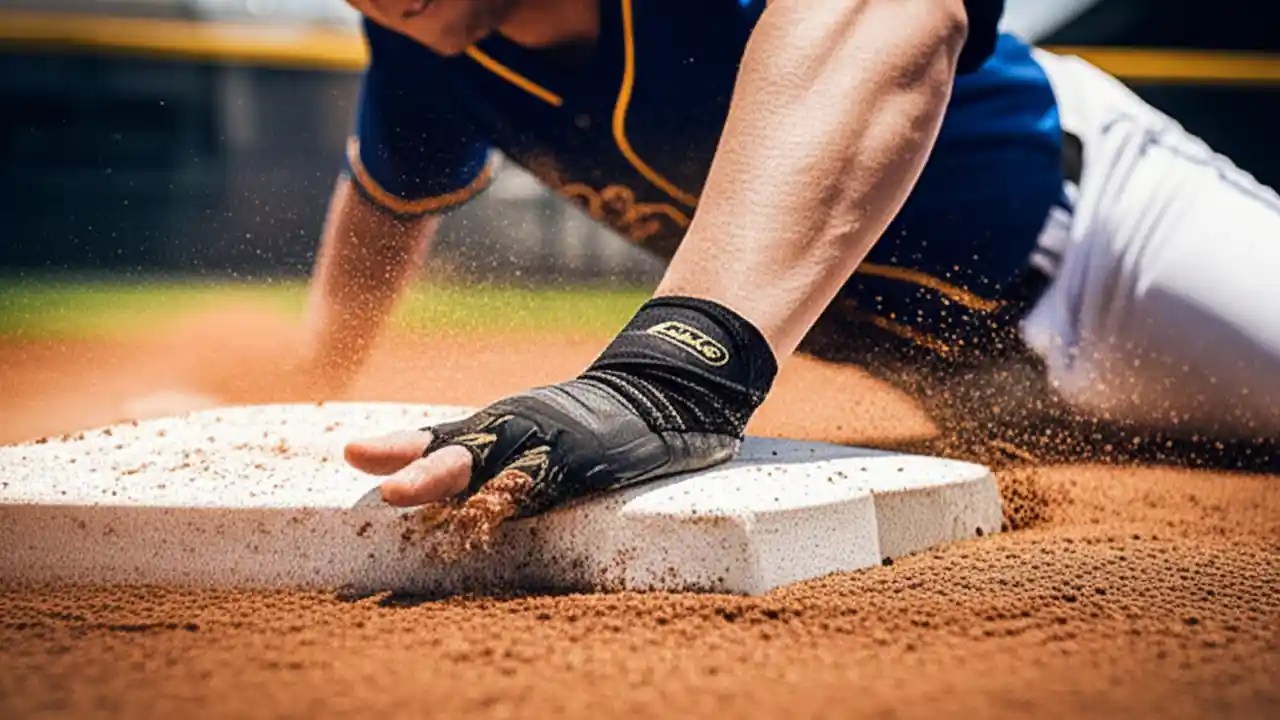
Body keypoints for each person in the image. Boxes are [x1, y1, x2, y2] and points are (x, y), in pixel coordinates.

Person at [308, 0, 1280, 518]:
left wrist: (671, 368)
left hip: (1115, 246)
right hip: (985, 402)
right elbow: (382, 210)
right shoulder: (421, 59)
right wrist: (300, 399)